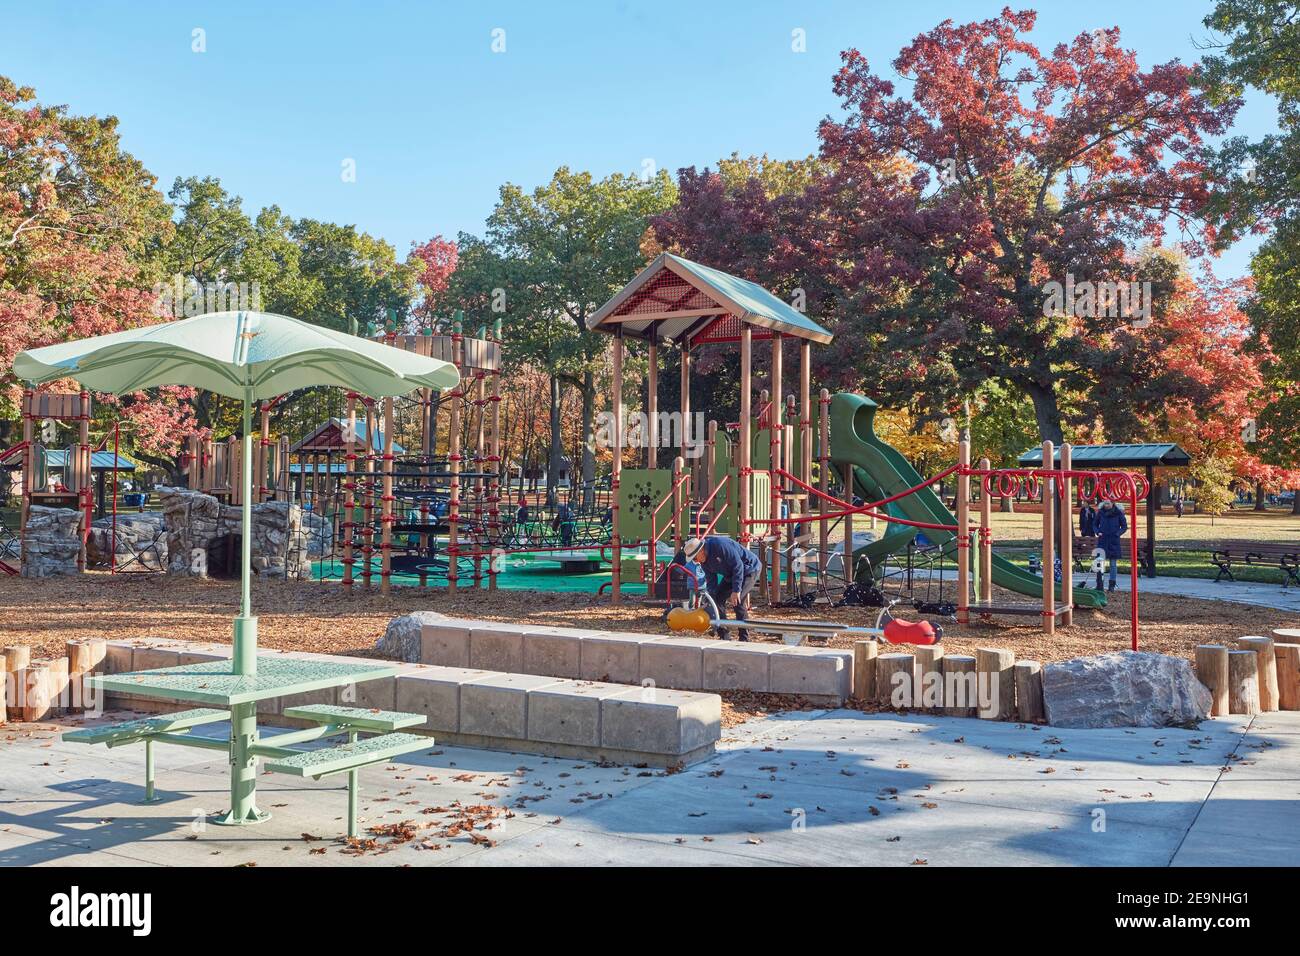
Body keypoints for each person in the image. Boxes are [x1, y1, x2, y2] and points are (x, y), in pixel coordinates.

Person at [683, 535, 762, 641]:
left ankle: (744, 638)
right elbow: (711, 582)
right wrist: (710, 599)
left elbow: (738, 565)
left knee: (738, 601)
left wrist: (736, 590)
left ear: (701, 551)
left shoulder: (720, 545)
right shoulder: (704, 563)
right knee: (717, 599)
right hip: (730, 574)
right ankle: (724, 635)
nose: (696, 561)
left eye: (695, 558)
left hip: (749, 569)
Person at [1094, 498, 1128, 592]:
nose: (1106, 505)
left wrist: (1117, 534)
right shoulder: (1100, 513)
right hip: (1103, 540)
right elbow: (1095, 524)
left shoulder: (1118, 513)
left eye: (1108, 503)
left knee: (1113, 564)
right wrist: (1098, 532)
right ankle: (1099, 584)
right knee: (1099, 562)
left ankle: (1112, 585)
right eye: (1105, 503)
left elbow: (1124, 526)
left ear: (1112, 503)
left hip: (1113, 541)